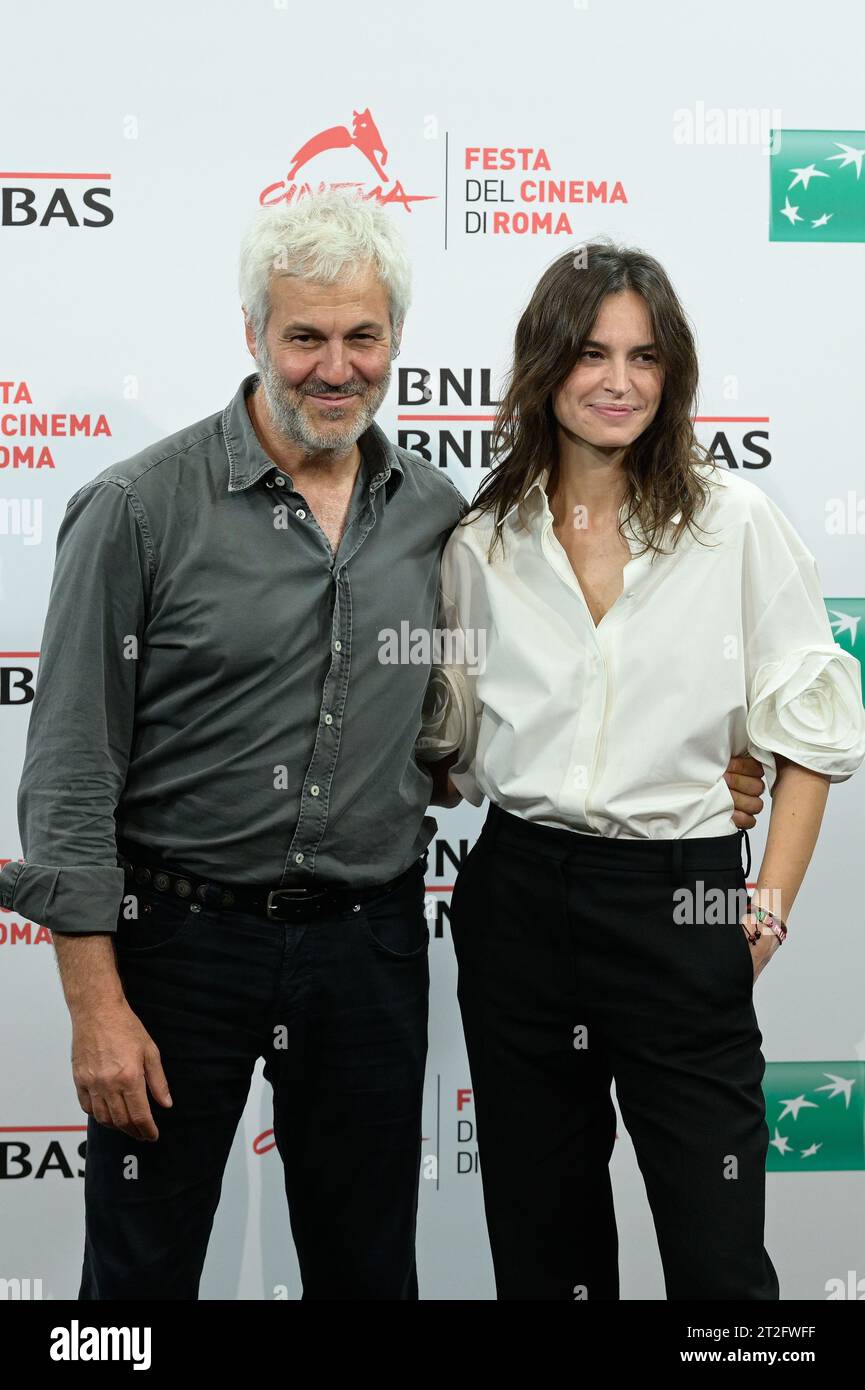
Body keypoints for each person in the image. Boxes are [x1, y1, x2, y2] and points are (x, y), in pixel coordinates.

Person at [0, 197, 764, 1302]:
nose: (334, 366)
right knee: (134, 1280)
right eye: (304, 336)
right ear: (253, 333)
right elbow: (69, 771)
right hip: (176, 950)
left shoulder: (442, 517)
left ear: (395, 343)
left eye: (361, 337)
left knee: (367, 1277)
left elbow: (489, 715)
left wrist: (704, 770)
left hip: (368, 951)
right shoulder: (135, 509)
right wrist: (95, 1005)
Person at [416, 240, 865, 1301]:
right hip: (519, 896)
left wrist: (765, 908)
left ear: (673, 377)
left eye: (646, 357)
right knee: (546, 1246)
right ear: (544, 366)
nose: (618, 381)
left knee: (718, 1261)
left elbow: (812, 734)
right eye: (591, 353)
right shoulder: (482, 541)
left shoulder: (735, 525)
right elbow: (453, 752)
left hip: (683, 899)